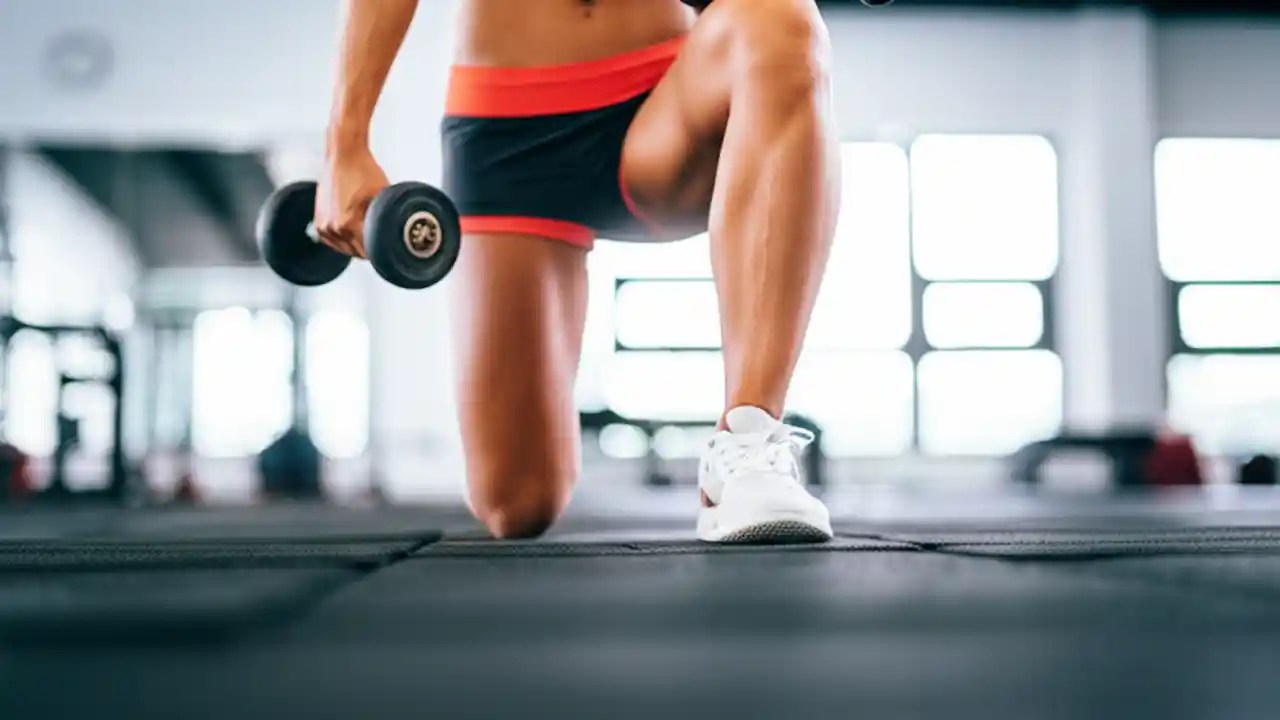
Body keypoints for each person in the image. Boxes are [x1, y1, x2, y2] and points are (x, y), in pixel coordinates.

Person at [315, 0, 840, 543]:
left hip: (664, 101)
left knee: (781, 22)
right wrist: (344, 143)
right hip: (508, 130)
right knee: (516, 502)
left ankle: (749, 441)